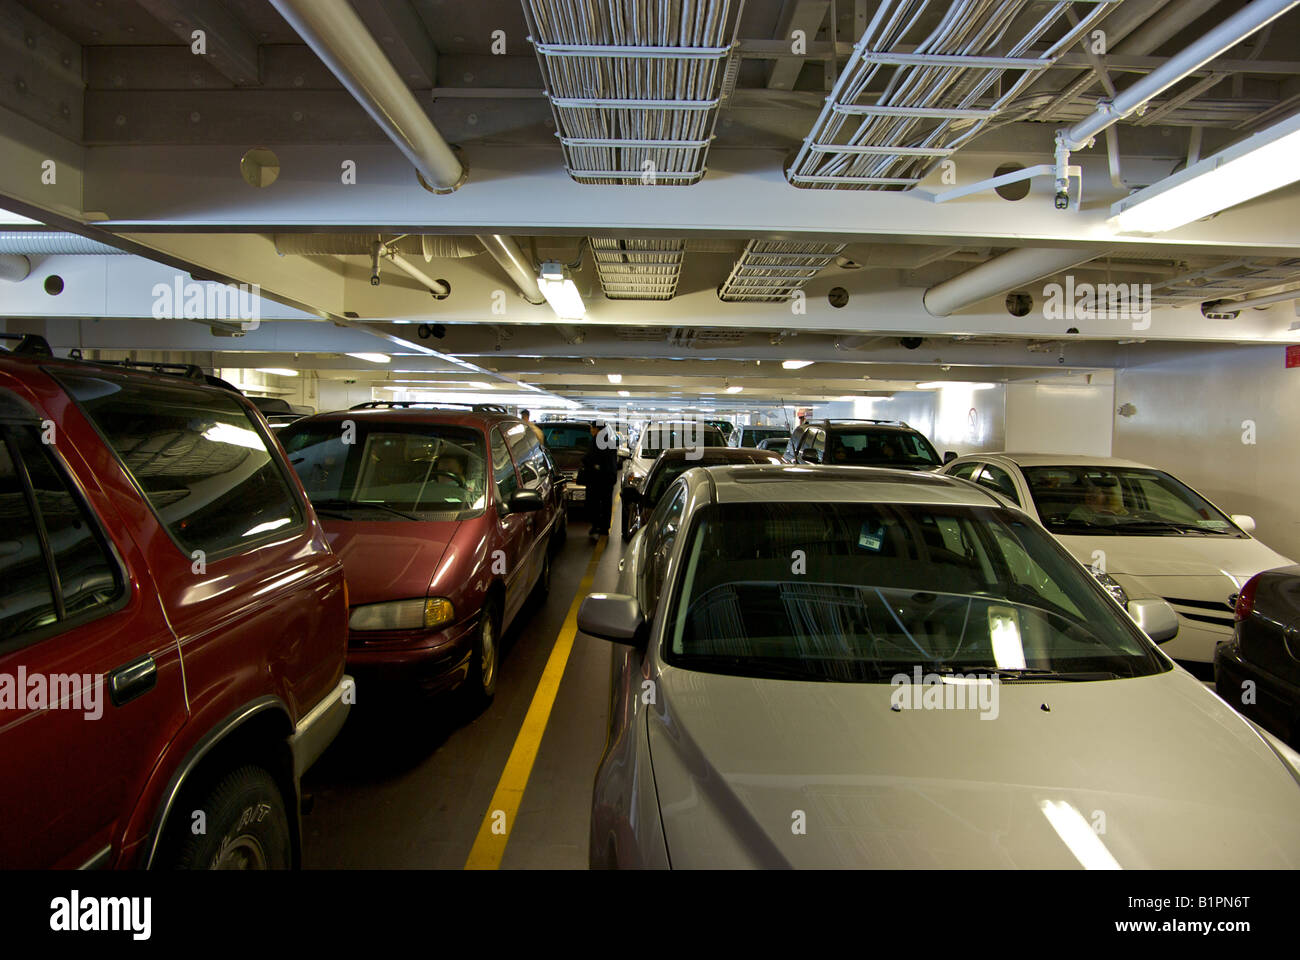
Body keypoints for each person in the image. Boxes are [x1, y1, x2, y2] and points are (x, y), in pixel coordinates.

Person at [580, 420, 618, 539]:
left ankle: (596, 525)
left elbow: (589, 458)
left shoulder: (595, 441)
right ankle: (605, 528)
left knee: (593, 503)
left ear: (597, 429)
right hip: (608, 478)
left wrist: (587, 463)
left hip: (596, 479)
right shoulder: (610, 441)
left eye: (592, 428)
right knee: (606, 503)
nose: (591, 430)